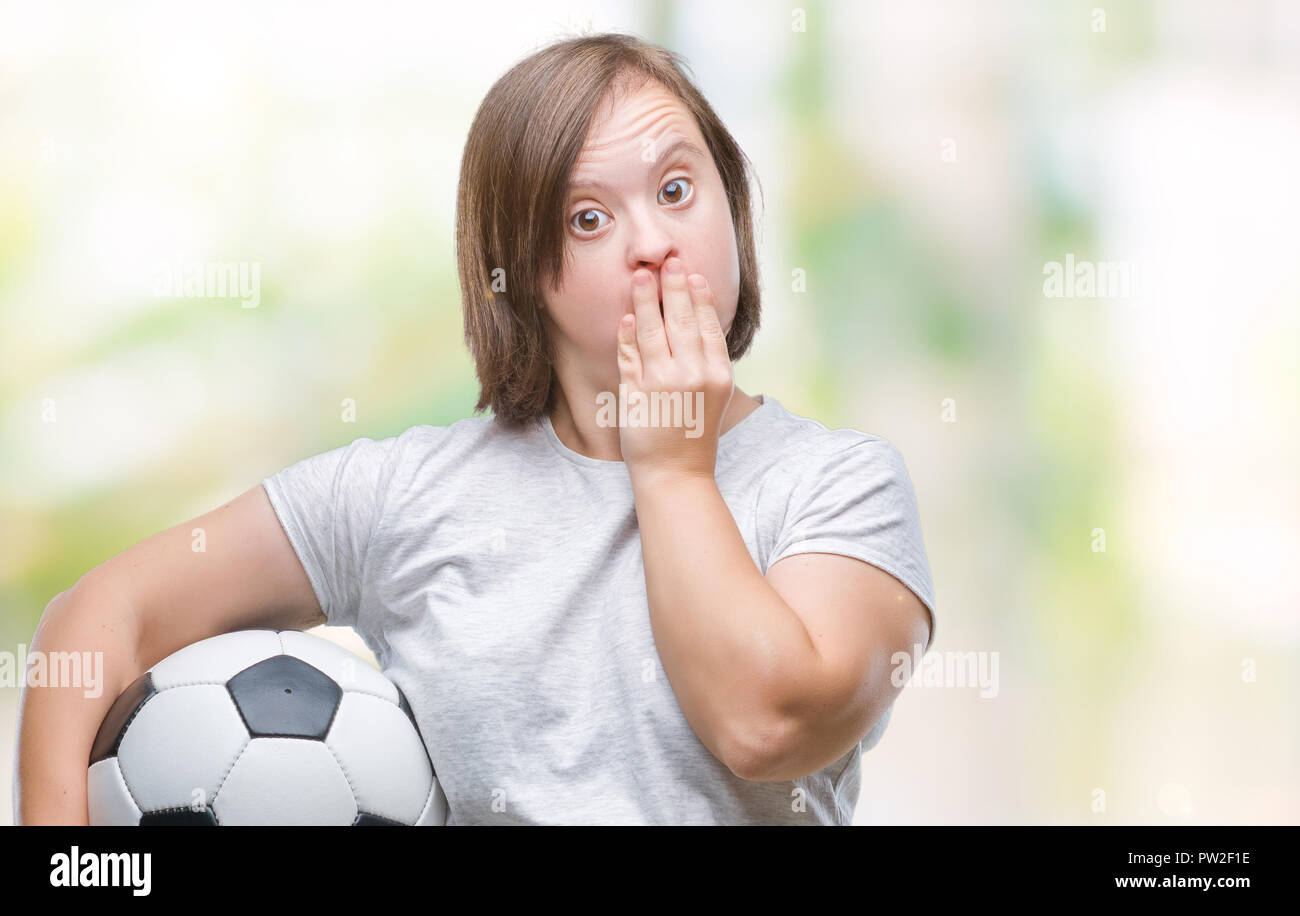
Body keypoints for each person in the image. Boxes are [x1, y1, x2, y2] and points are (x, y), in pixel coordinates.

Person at [15, 32, 935, 826]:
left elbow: (765, 727)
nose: (652, 242)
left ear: (732, 207)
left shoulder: (840, 485)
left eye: (678, 188)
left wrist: (674, 469)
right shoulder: (406, 494)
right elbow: (98, 619)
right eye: (587, 218)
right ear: (523, 273)